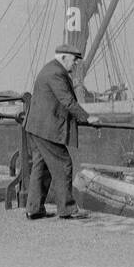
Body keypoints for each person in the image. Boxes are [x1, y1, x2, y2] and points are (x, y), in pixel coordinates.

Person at [25, 43, 99, 219]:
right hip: (47, 128)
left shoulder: (50, 69)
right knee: (64, 164)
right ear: (64, 57)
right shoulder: (56, 73)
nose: (75, 64)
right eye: (74, 60)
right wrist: (87, 117)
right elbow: (67, 101)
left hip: (37, 126)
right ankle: (67, 209)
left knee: (40, 166)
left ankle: (33, 209)